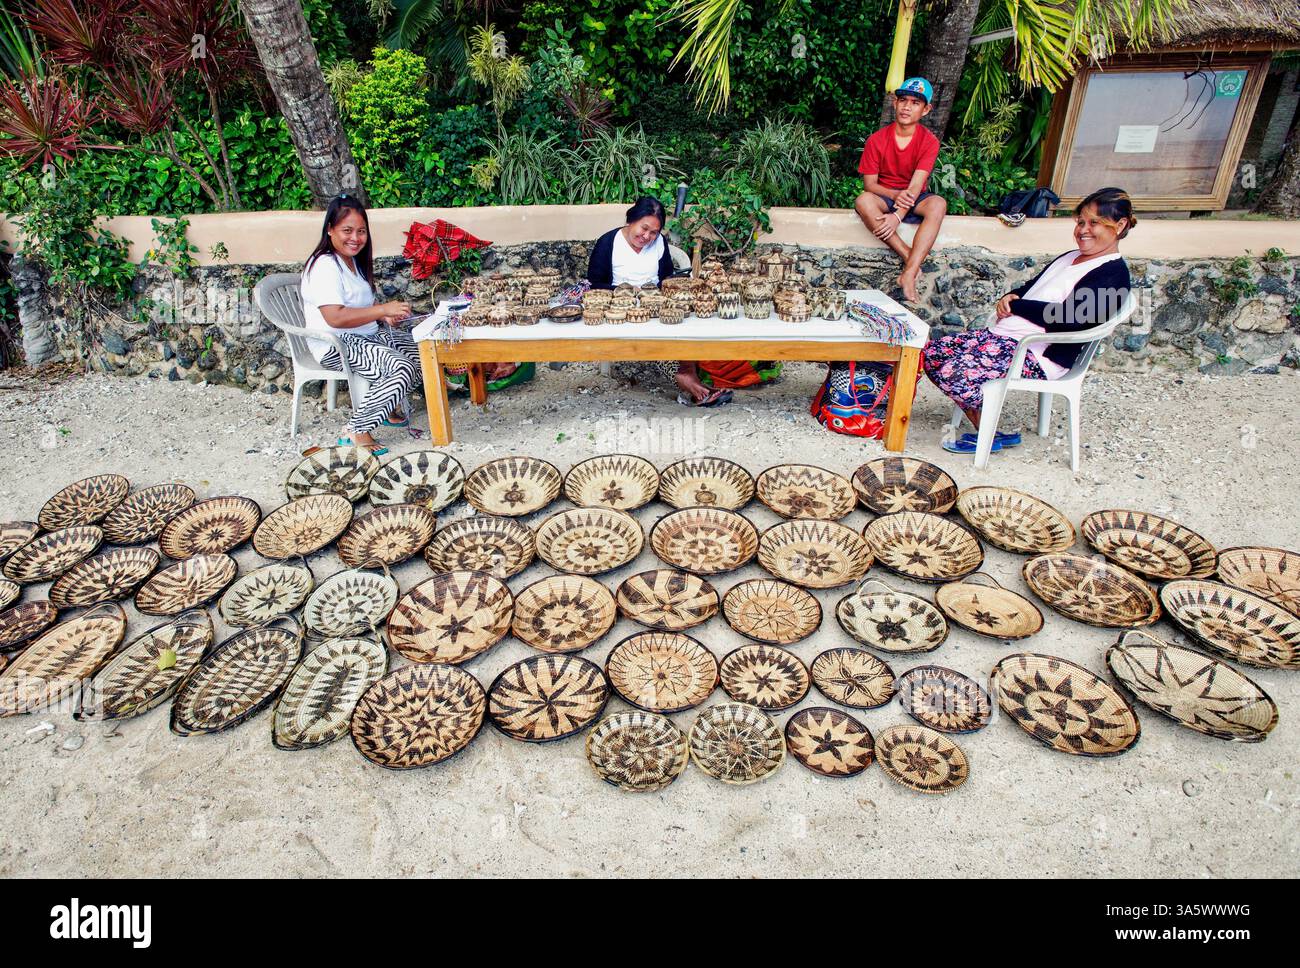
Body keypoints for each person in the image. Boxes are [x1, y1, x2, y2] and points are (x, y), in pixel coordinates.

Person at [923, 186, 1135, 456]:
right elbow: (1032, 288)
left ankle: (987, 433)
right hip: (1004, 338)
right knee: (933, 354)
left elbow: (1072, 319)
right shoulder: (1070, 257)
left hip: (1036, 353)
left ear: (1120, 225)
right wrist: (1011, 297)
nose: (1083, 230)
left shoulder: (1113, 275)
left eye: (1094, 223)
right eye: (1080, 222)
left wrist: (1018, 306)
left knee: (954, 373)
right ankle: (987, 426)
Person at [300, 194, 418, 457]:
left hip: (366, 336)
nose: (355, 237)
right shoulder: (325, 265)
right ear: (330, 229)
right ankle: (356, 430)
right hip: (336, 344)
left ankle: (386, 408)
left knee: (423, 352)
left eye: (361, 231)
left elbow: (361, 304)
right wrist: (382, 310)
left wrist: (384, 317)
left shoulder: (352, 261)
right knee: (401, 368)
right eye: (347, 230)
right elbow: (335, 317)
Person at [589, 197, 729, 406]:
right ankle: (689, 383)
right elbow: (594, 285)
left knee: (685, 324)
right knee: (660, 334)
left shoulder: (659, 243)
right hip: (622, 312)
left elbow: (666, 279)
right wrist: (631, 291)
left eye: (654, 232)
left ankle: (689, 377)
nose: (647, 237)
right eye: (644, 228)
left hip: (656, 306)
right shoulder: (608, 243)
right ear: (631, 220)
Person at [854, 77, 948, 304]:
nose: (907, 107)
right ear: (895, 103)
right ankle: (909, 257)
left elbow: (915, 186)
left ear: (926, 110)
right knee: (863, 200)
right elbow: (870, 185)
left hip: (916, 197)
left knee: (938, 204)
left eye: (915, 103)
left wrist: (897, 216)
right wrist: (894, 196)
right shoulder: (876, 140)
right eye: (903, 100)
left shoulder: (929, 141)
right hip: (885, 194)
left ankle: (908, 273)